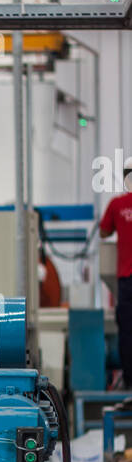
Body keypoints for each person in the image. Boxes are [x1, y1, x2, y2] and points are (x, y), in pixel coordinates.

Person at [100, 158, 132, 388]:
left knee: (128, 331)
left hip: (127, 278)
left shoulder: (117, 205)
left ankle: (130, 383)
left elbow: (103, 232)